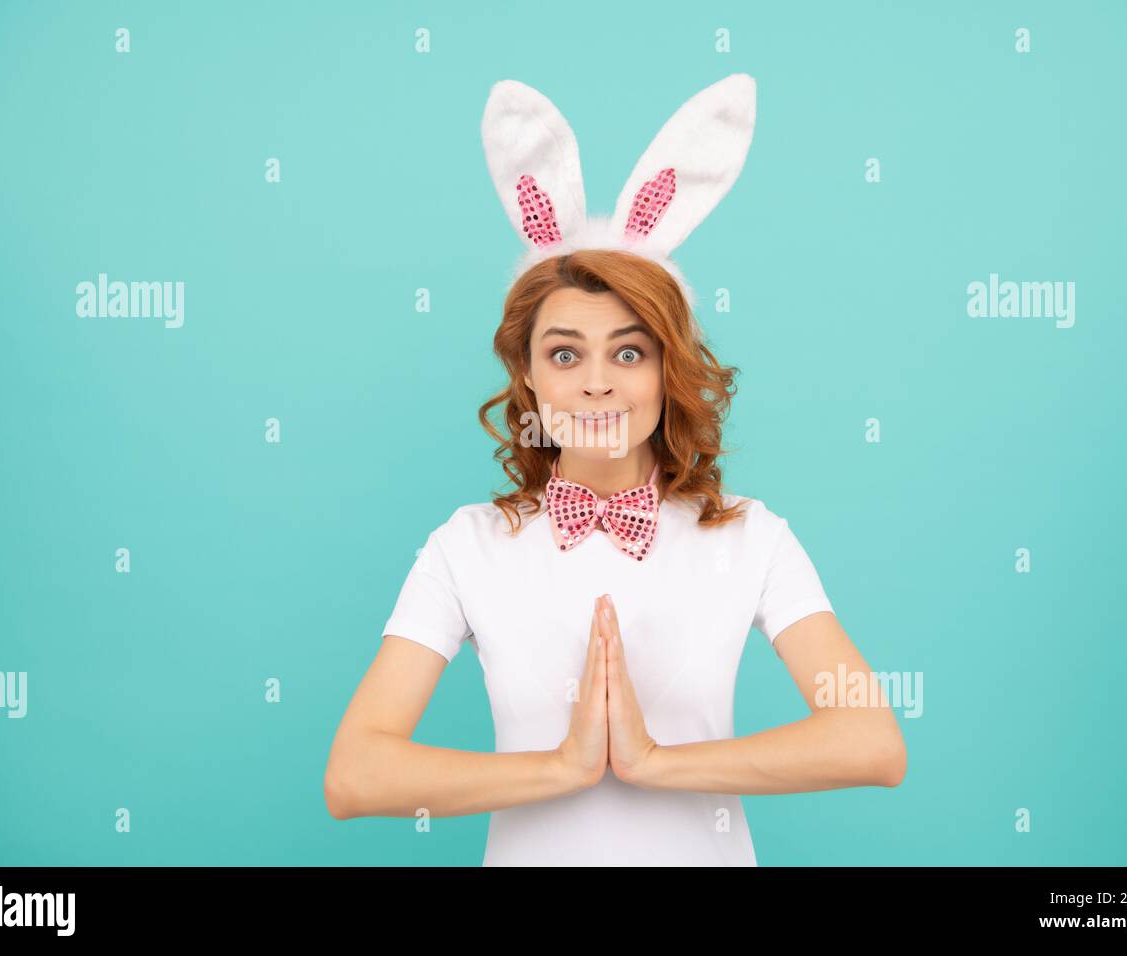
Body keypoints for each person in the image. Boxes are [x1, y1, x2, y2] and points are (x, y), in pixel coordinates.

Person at [323, 74, 906, 865]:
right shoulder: (470, 545)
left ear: (668, 371)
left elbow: (871, 742)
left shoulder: (749, 537)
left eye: (628, 351)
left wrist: (654, 764)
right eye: (565, 353)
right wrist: (560, 769)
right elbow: (355, 775)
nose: (597, 381)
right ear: (529, 377)